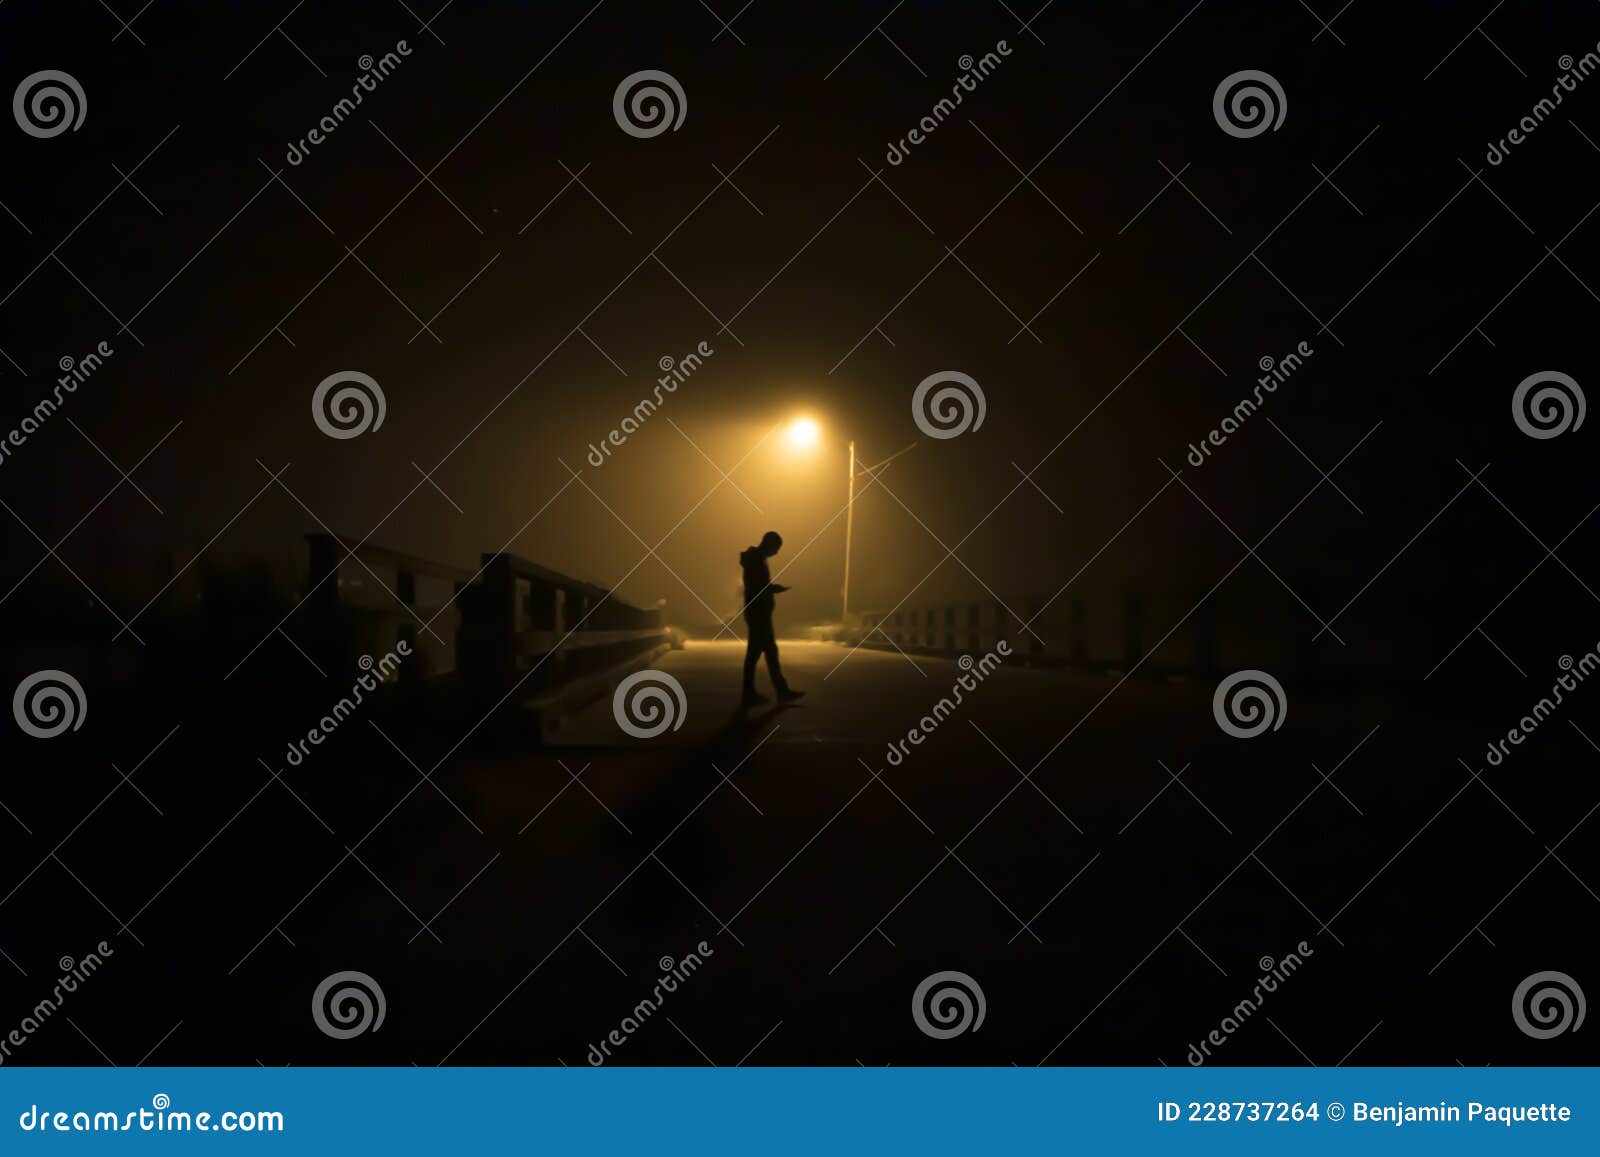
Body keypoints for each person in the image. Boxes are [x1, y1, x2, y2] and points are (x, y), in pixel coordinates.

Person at [739, 531, 804, 705]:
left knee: (768, 653)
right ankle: (754, 694)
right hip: (758, 613)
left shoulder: (755, 559)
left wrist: (770, 589)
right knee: (757, 654)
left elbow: (758, 586)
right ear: (769, 545)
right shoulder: (756, 561)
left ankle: (775, 691)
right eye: (776, 548)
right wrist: (774, 589)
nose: (776, 552)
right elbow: (758, 587)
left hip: (759, 612)